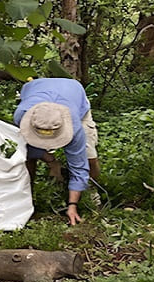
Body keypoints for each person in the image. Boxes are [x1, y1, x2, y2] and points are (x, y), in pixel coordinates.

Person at [14, 77, 100, 226]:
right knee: (27, 157)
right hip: (36, 88)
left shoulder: (74, 125)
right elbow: (26, 147)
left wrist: (72, 205)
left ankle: (91, 192)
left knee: (88, 157)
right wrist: (51, 160)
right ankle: (26, 198)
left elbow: (78, 166)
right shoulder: (21, 116)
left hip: (73, 94)